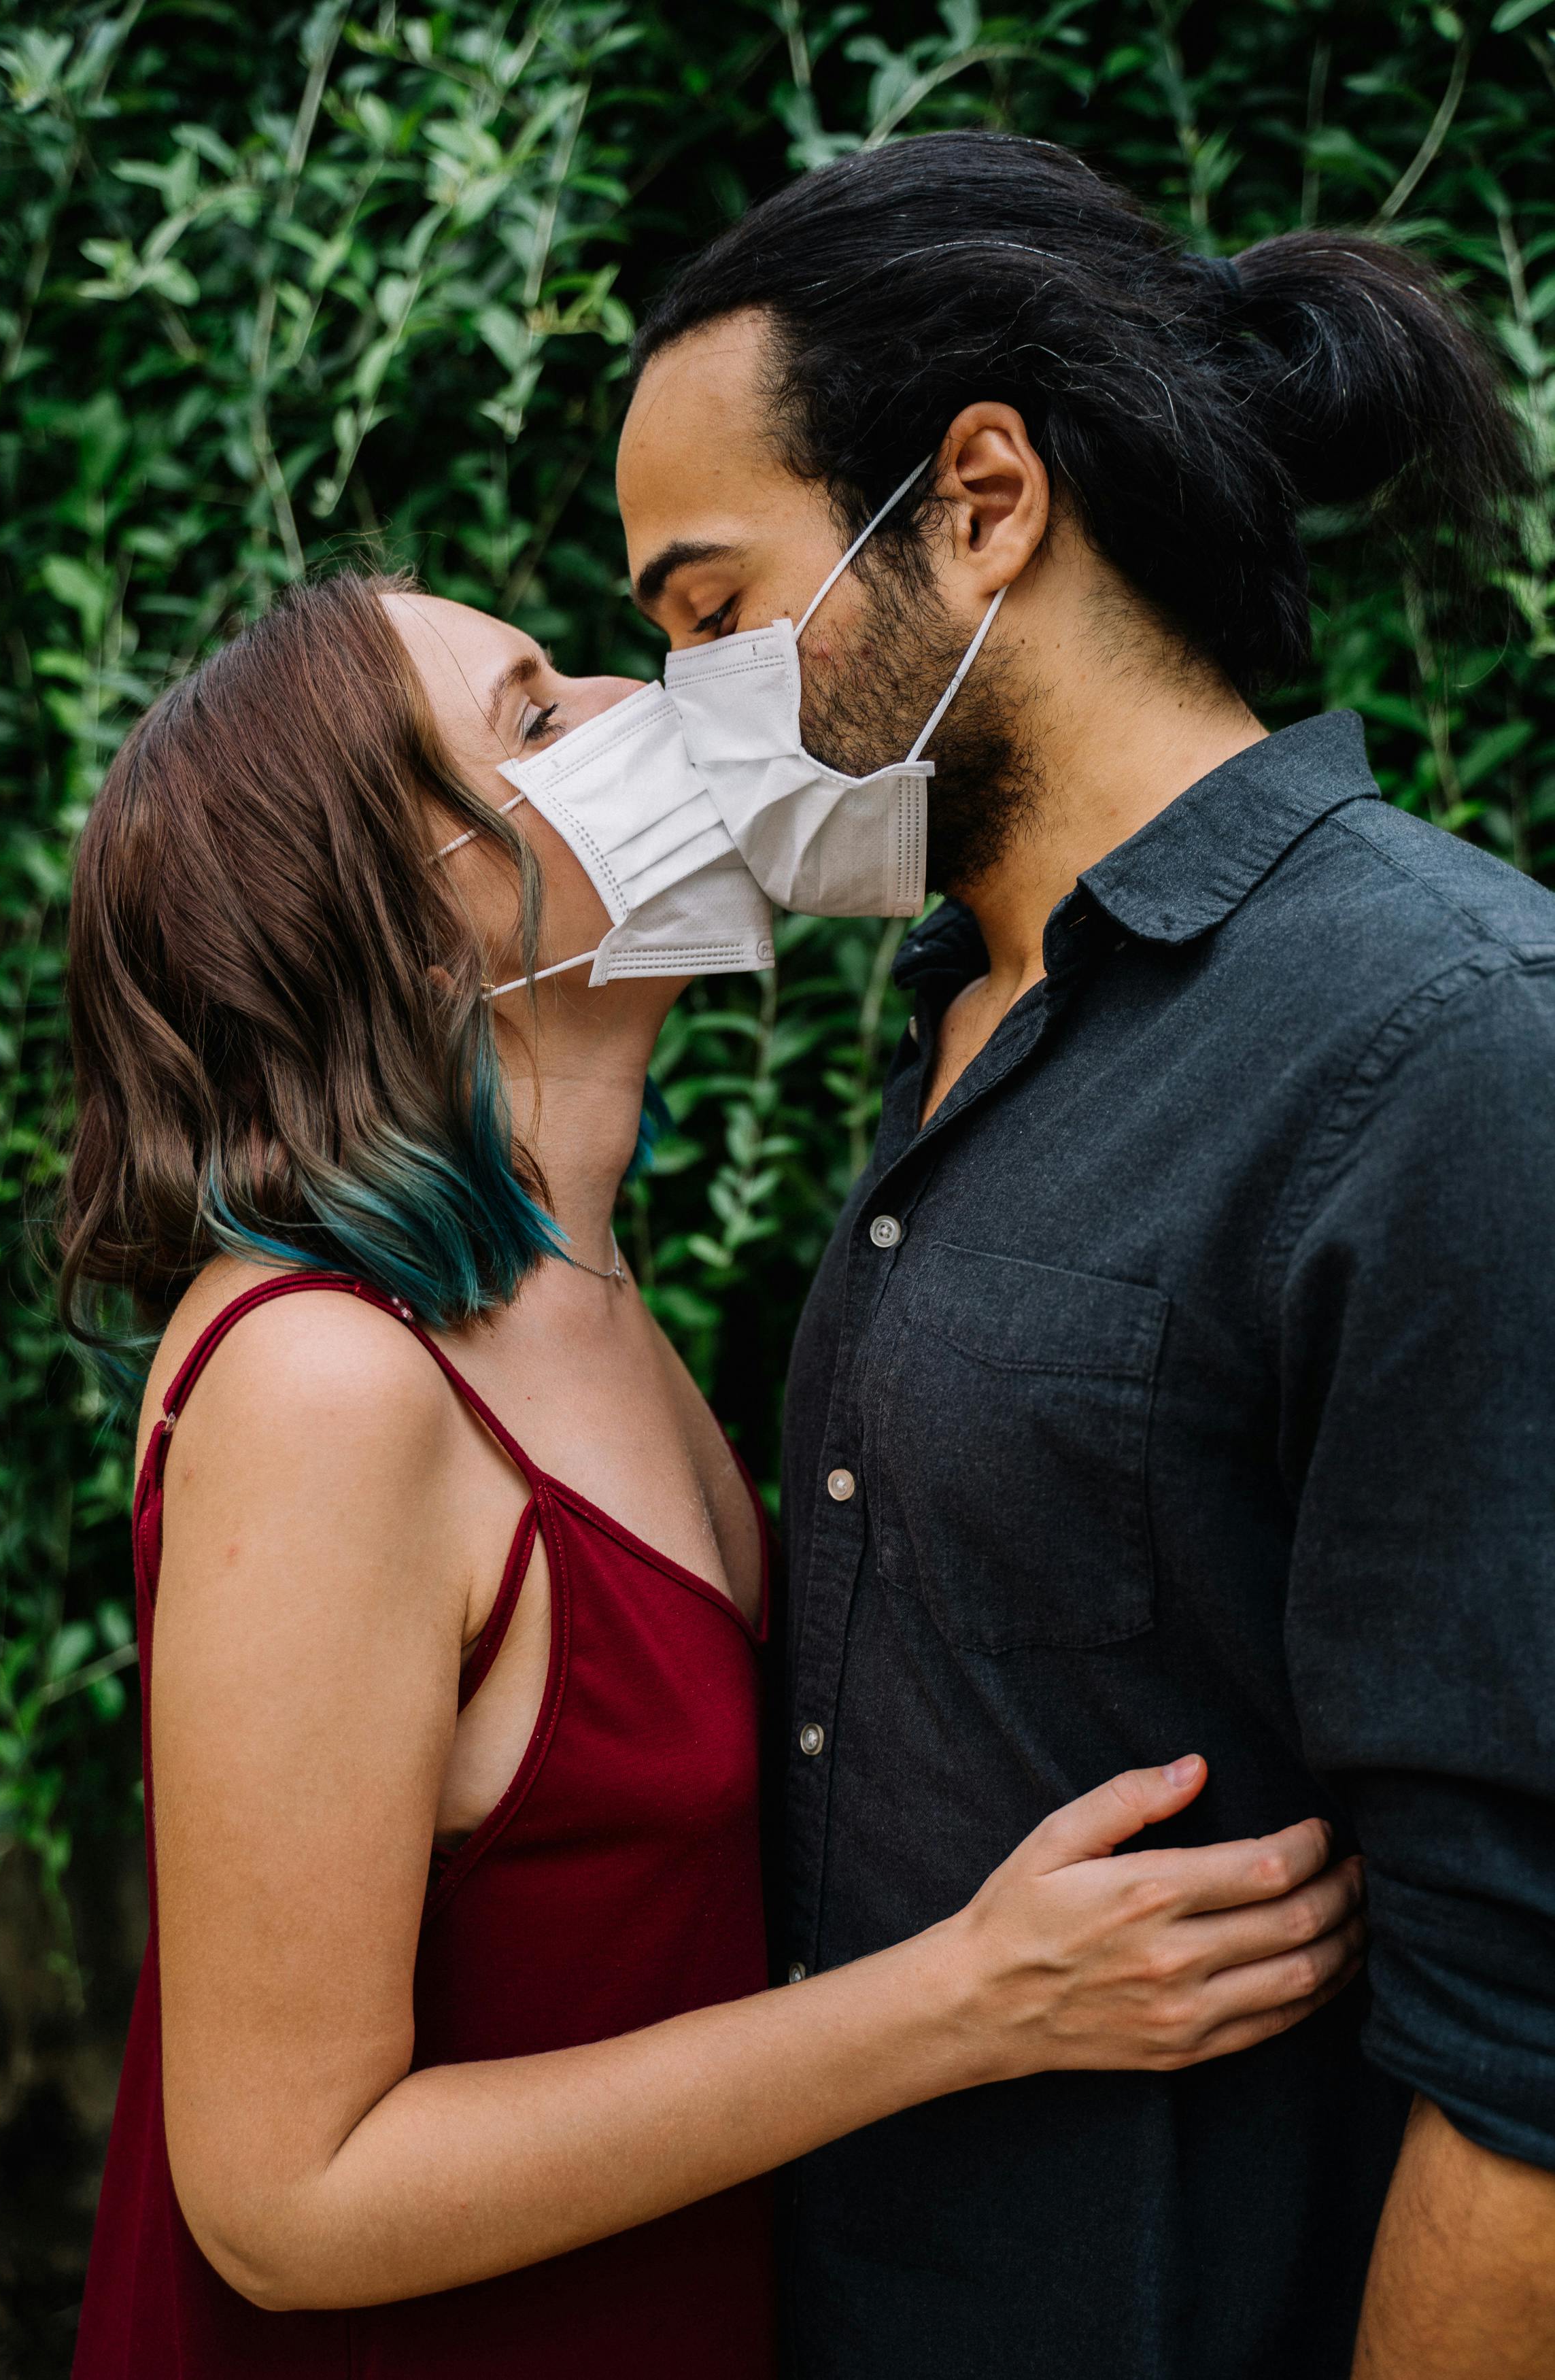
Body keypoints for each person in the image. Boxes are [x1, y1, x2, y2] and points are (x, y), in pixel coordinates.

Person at [65, 569, 1363, 2377]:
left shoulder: (577, 1295)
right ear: (414, 935)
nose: (640, 700)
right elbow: (284, 2199)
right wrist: (969, 2002)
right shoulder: (323, 1382)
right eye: (535, 715)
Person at [617, 131, 1555, 2380]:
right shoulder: (966, 1012)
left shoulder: (1452, 1042)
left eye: (712, 611)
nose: (685, 703)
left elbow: (1528, 2046)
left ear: (981, 501)